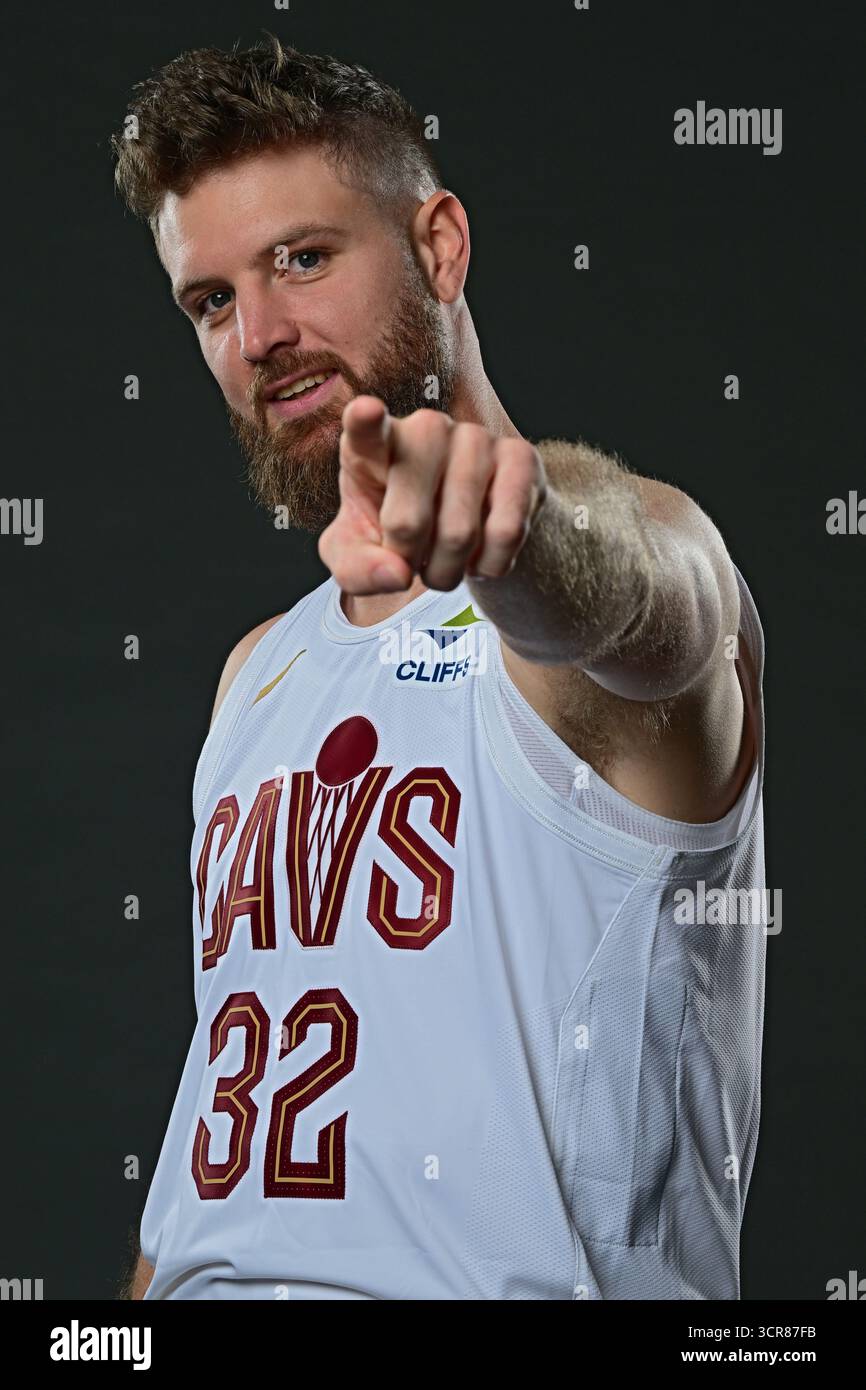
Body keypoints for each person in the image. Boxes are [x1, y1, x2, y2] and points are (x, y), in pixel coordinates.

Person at [112, 36, 766, 1301]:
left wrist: (517, 542)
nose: (259, 335)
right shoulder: (256, 674)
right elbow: (220, 1137)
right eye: (209, 300)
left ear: (439, 246)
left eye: (302, 258)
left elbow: (649, 601)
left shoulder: (617, 583)